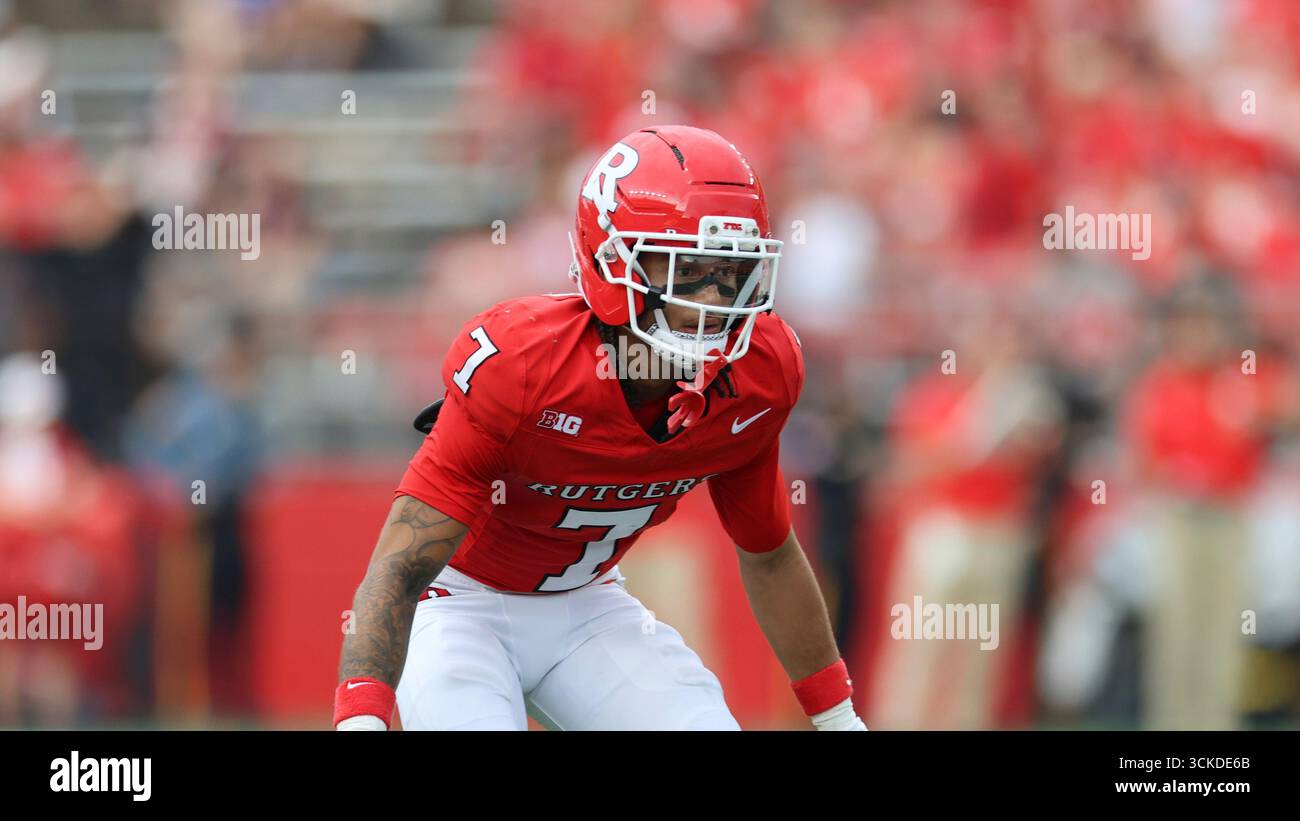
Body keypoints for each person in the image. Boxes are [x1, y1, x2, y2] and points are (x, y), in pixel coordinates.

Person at [333, 126, 865, 731]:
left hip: (590, 607)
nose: (716, 297)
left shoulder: (758, 373)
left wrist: (839, 719)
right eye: (689, 270)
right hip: (458, 604)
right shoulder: (525, 367)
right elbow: (401, 564)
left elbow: (769, 554)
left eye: (732, 270)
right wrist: (360, 717)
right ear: (614, 261)